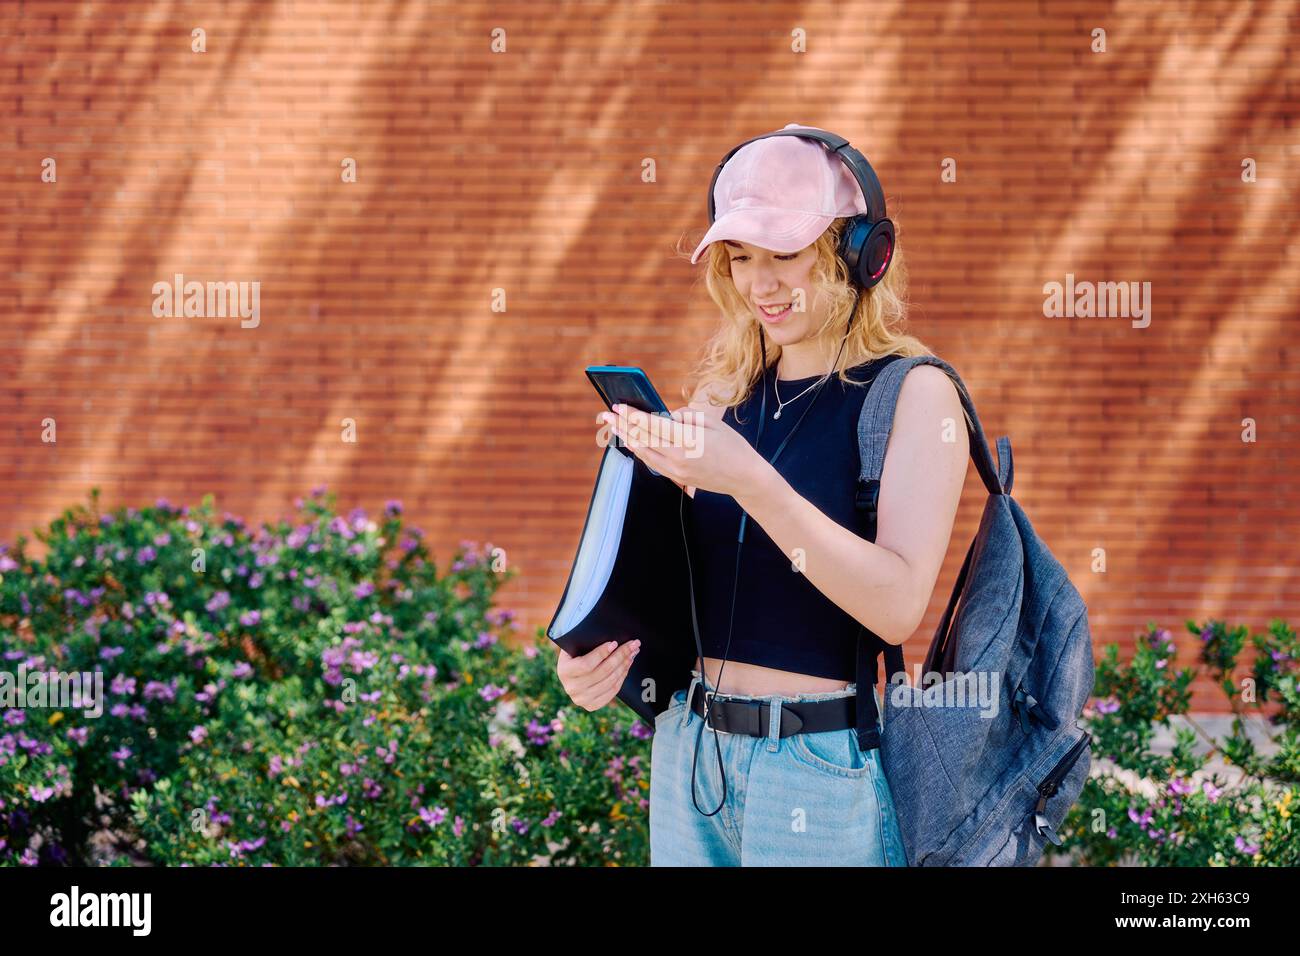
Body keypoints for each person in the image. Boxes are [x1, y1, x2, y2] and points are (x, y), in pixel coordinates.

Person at [557, 127, 969, 865]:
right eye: (740, 259)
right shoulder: (722, 397)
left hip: (814, 767)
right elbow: (688, 590)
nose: (759, 284)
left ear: (856, 251)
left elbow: (898, 602)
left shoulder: (915, 396)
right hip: (689, 750)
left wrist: (745, 477)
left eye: (784, 255)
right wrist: (598, 659)